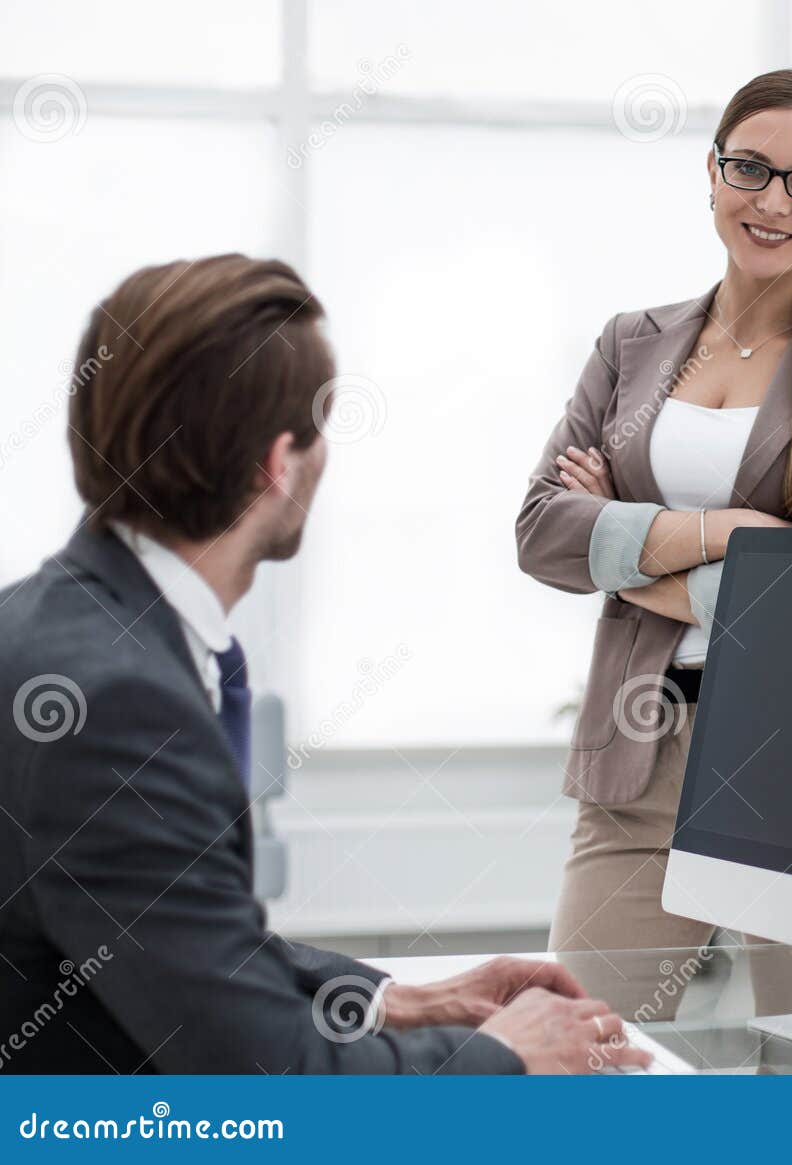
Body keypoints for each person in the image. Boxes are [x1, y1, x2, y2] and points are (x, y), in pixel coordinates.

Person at [0, 255, 648, 1074]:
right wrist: (505, 1055)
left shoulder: (58, 622)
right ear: (277, 464)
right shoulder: (120, 702)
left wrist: (394, 997)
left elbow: (177, 939)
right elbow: (276, 1083)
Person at [515, 68, 792, 1013]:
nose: (774, 201)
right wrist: (721, 532)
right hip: (638, 752)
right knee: (583, 1058)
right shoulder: (630, 344)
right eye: (751, 167)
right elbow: (540, 529)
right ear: (712, 172)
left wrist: (630, 561)